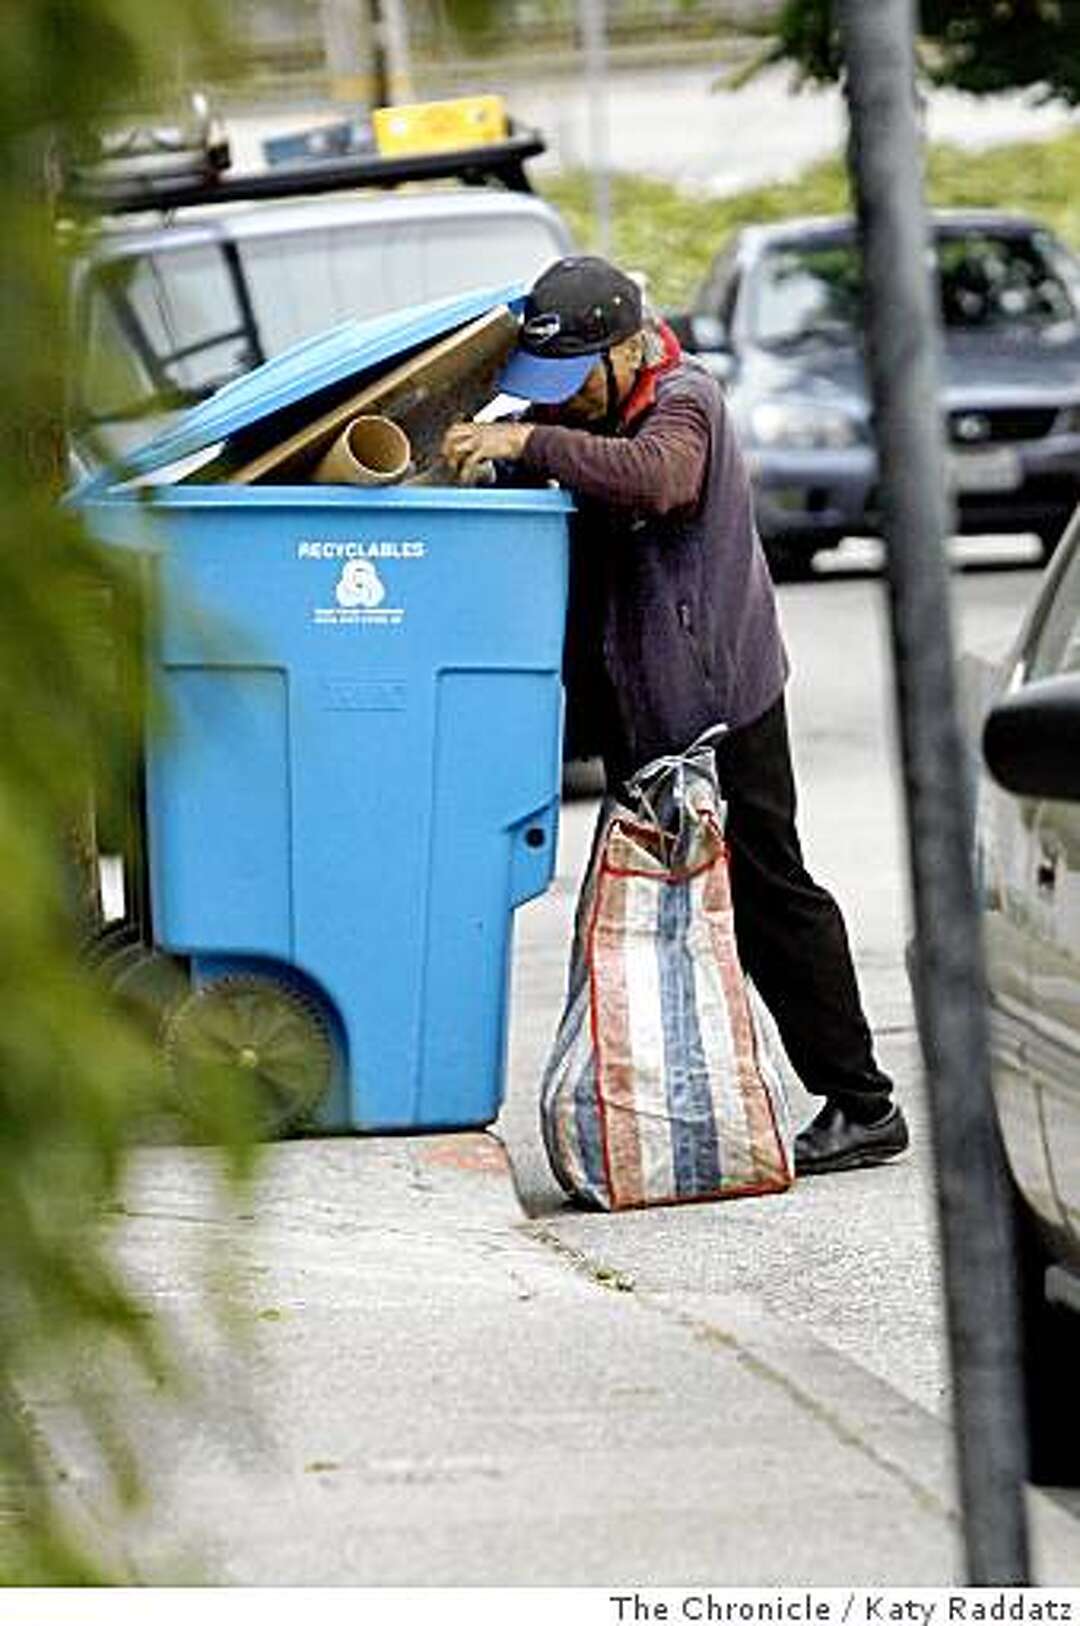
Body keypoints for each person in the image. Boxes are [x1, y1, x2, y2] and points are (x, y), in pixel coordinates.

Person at [441, 255, 908, 1176]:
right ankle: (687, 1107)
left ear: (624, 351)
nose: (559, 405)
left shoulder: (683, 400)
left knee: (772, 893)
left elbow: (659, 479)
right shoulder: (588, 414)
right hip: (642, 709)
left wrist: (522, 447)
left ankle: (862, 1101)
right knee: (665, 912)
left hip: (720, 703)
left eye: (574, 382)